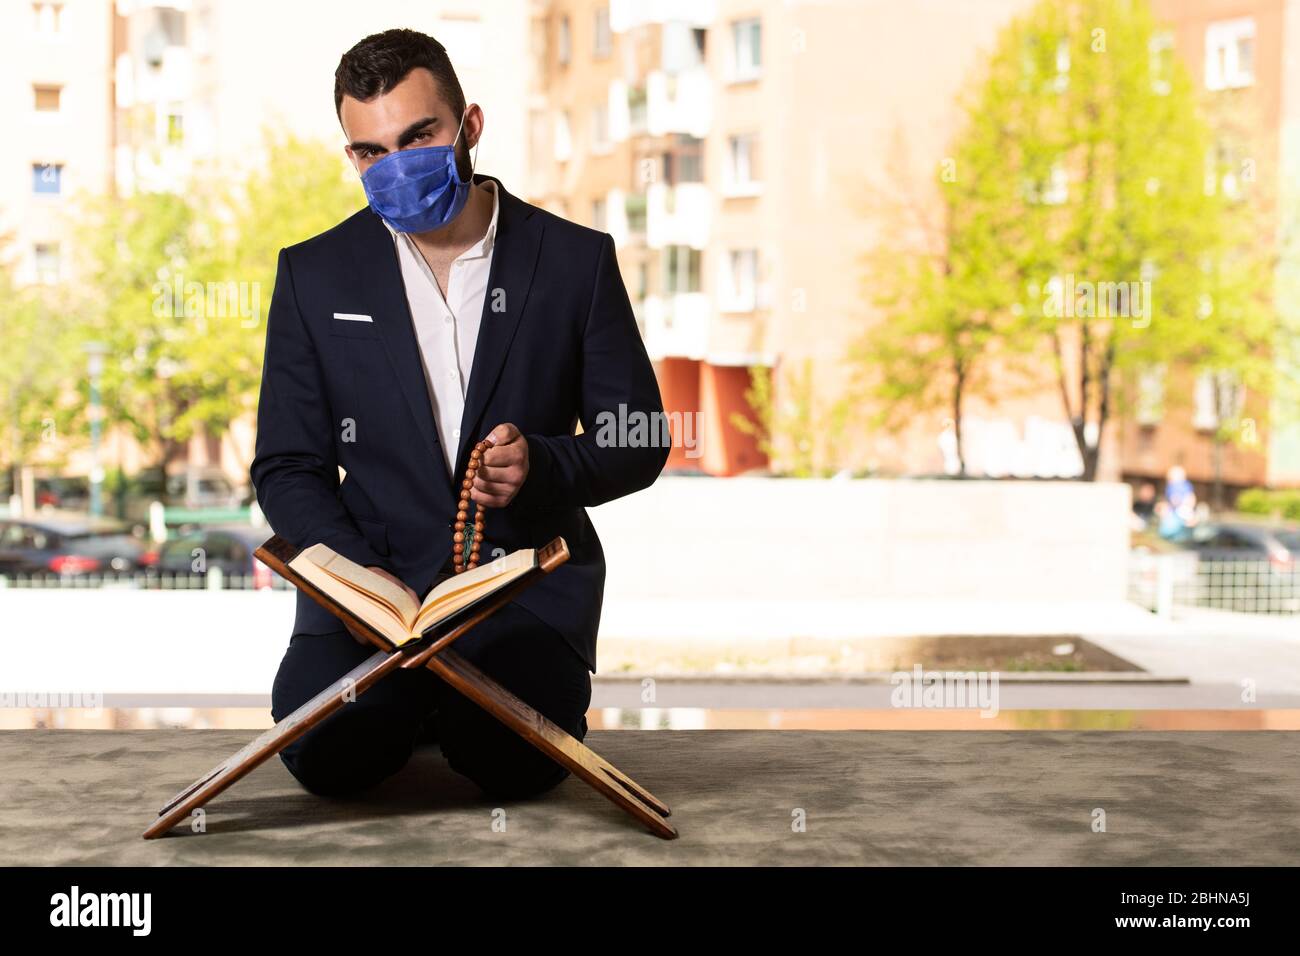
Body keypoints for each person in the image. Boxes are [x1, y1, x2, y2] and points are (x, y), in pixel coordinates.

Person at [250, 29, 669, 800]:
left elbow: (637, 439)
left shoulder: (575, 262)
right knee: (332, 759)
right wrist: (353, 578)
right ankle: (406, 699)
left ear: (469, 127)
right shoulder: (313, 274)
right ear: (351, 157)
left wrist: (545, 463)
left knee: (510, 764)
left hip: (520, 595)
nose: (396, 164)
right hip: (370, 596)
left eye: (419, 136)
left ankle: (437, 706)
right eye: (372, 151)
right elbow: (288, 464)